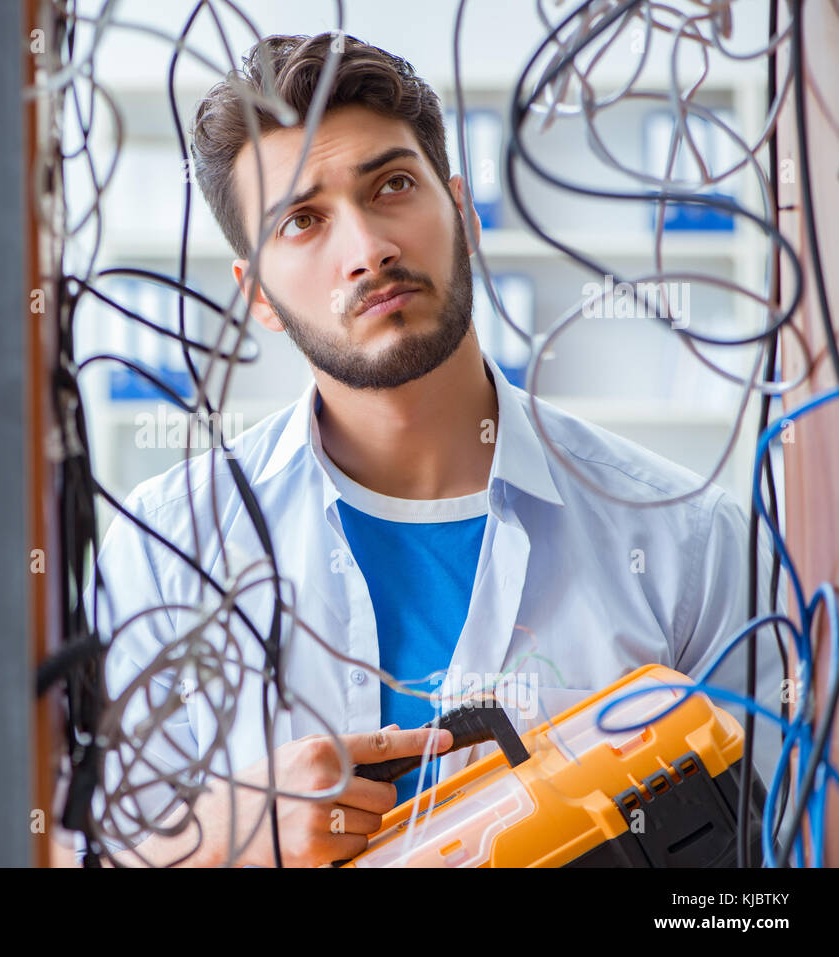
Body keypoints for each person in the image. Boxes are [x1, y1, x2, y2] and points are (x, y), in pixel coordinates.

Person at [75, 32, 782, 868]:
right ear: (257, 295)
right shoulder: (164, 556)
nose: (367, 249)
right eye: (302, 221)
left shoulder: (686, 542)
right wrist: (223, 844)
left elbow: (767, 883)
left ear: (463, 212)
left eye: (393, 186)